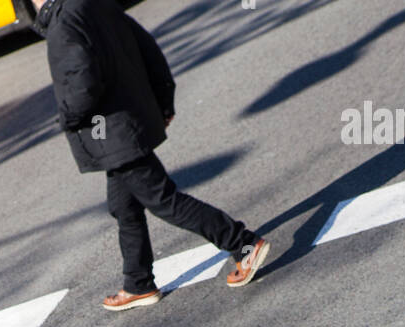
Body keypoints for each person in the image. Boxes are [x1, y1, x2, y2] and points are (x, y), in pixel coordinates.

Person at [31, 0, 269, 310]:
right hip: (123, 127)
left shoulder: (64, 24)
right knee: (123, 207)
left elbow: (82, 83)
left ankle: (242, 242)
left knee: (164, 200)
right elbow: (146, 46)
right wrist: (163, 97)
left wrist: (68, 118)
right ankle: (138, 283)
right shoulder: (94, 4)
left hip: (112, 132)